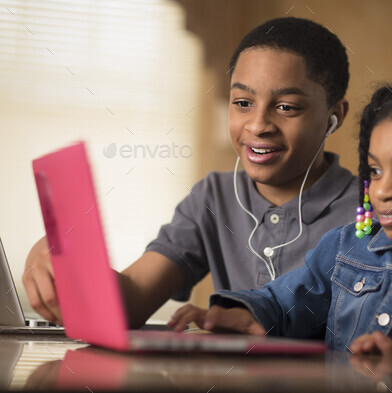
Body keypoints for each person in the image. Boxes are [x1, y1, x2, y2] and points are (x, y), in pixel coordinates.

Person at [22, 17, 358, 328]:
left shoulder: (371, 212)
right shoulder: (213, 198)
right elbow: (129, 300)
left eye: (286, 107)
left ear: (335, 115)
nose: (257, 125)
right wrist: (67, 263)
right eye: (242, 102)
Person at [168, 78, 392, 360]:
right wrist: (246, 313)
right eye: (374, 171)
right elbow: (283, 302)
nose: (382, 191)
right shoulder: (347, 246)